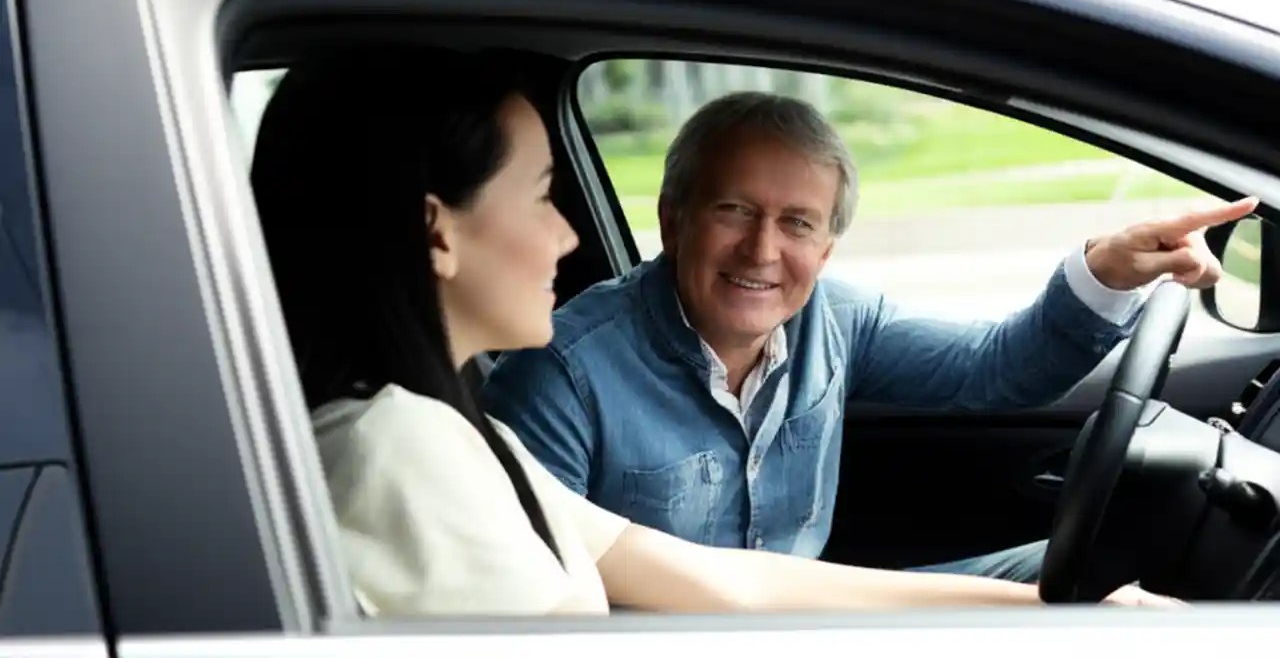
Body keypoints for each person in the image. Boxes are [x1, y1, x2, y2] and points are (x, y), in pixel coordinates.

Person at [249, 49, 1178, 616]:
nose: (571, 235)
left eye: (800, 224)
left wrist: (1054, 611)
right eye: (542, 195)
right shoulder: (426, 439)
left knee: (1078, 567)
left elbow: (744, 588)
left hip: (760, 624)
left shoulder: (463, 440)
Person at [483, 90, 1258, 582]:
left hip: (810, 620)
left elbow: (997, 372)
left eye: (796, 224)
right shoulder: (561, 373)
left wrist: (1108, 273)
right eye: (733, 211)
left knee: (1087, 576)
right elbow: (542, 600)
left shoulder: (835, 319)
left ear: (826, 249)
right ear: (672, 219)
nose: (761, 251)